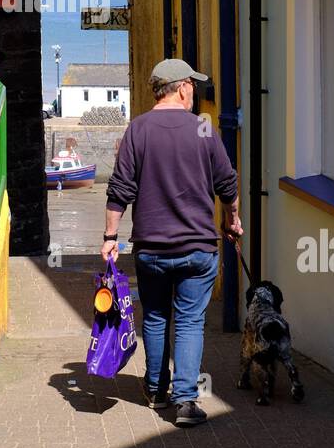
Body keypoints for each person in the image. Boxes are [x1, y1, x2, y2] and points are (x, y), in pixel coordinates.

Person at [102, 59, 242, 427]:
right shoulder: (203, 129)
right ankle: (185, 401)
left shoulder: (138, 130)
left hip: (151, 249)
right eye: (192, 86)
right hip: (197, 247)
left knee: (156, 314)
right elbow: (227, 184)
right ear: (181, 88)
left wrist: (110, 236)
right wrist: (232, 220)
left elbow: (120, 189)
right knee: (191, 321)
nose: (194, 92)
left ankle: (156, 389)